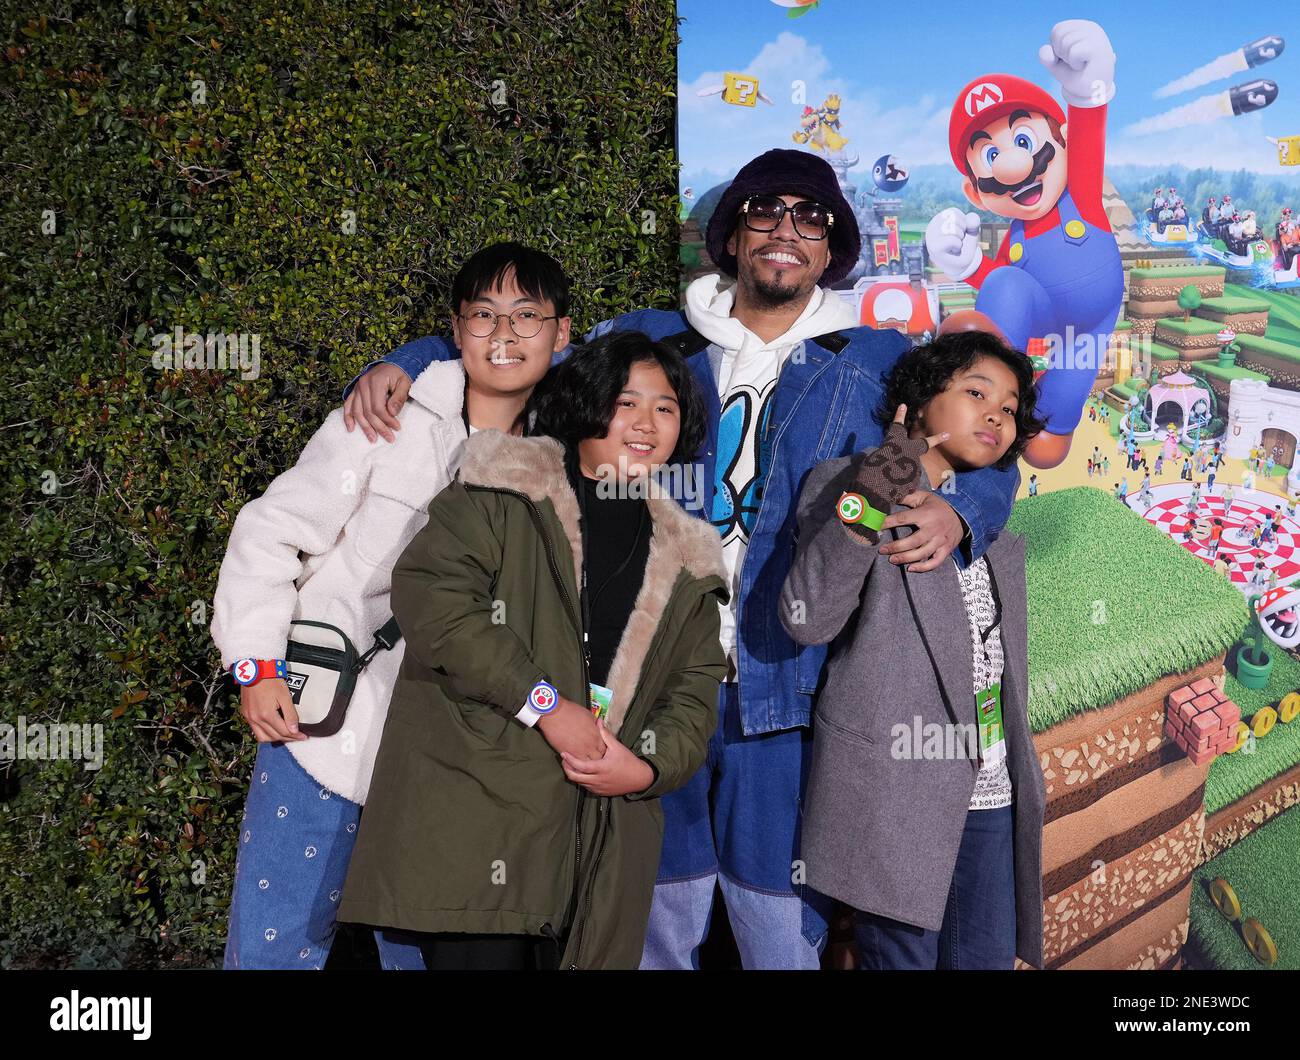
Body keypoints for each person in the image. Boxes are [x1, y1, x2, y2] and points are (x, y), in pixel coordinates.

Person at [341, 148, 1022, 969]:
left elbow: (983, 435)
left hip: (788, 689)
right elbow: (517, 350)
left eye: (811, 219)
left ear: (833, 244)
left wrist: (964, 509)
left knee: (779, 928)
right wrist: (410, 360)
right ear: (732, 233)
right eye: (765, 213)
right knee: (651, 921)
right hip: (654, 679)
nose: (785, 233)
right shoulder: (653, 339)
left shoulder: (875, 359)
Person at [208, 242, 571, 968]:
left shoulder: (575, 444)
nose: (504, 335)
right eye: (483, 315)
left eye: (527, 316)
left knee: (420, 957)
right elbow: (272, 531)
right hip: (331, 735)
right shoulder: (387, 418)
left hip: (460, 763)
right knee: (275, 948)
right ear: (456, 327)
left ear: (561, 334)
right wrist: (255, 665)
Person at [339, 330, 727, 969]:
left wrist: (649, 768)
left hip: (601, 841)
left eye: (665, 408)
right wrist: (544, 704)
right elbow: (434, 599)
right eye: (626, 402)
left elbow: (694, 686)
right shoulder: (502, 491)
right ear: (588, 403)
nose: (646, 423)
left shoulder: (689, 556)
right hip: (482, 812)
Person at [780, 330, 1047, 969]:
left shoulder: (997, 533)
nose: (995, 414)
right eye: (975, 392)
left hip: (991, 792)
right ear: (921, 403)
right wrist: (881, 485)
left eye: (1009, 407)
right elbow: (808, 614)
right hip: (894, 793)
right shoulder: (843, 487)